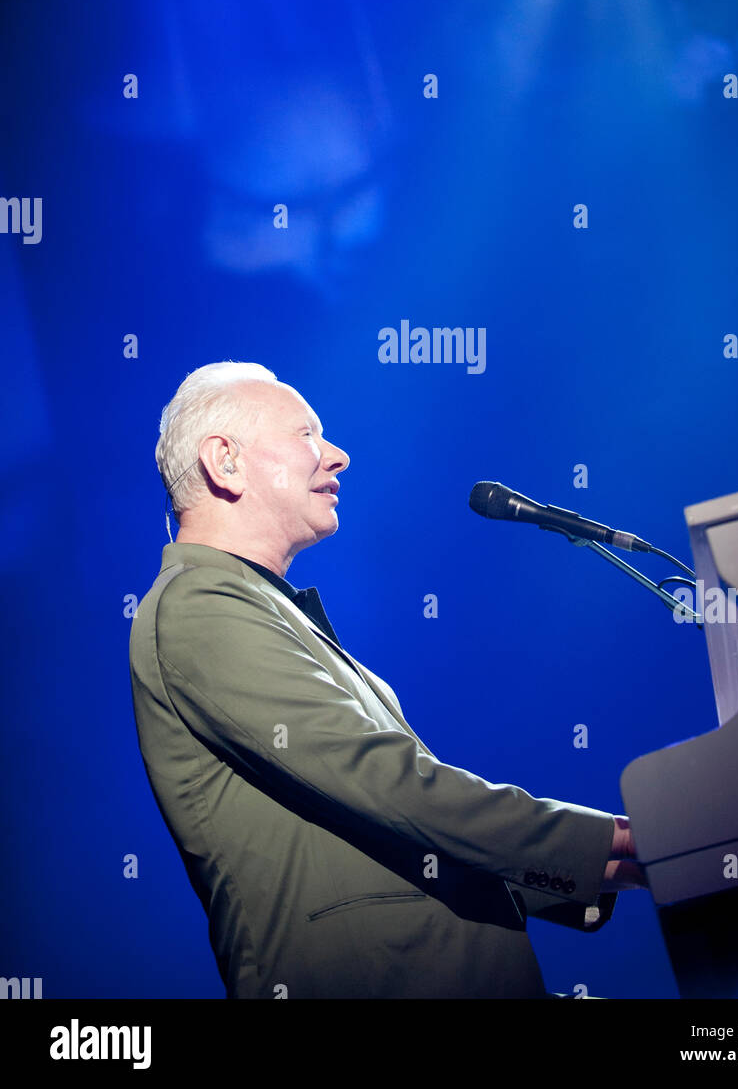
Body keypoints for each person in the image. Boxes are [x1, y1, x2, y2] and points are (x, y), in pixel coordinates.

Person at [129, 360, 647, 999]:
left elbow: (393, 829)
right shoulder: (200, 605)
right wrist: (615, 841)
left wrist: (614, 861)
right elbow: (392, 785)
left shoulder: (256, 607)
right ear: (224, 461)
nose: (338, 456)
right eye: (307, 435)